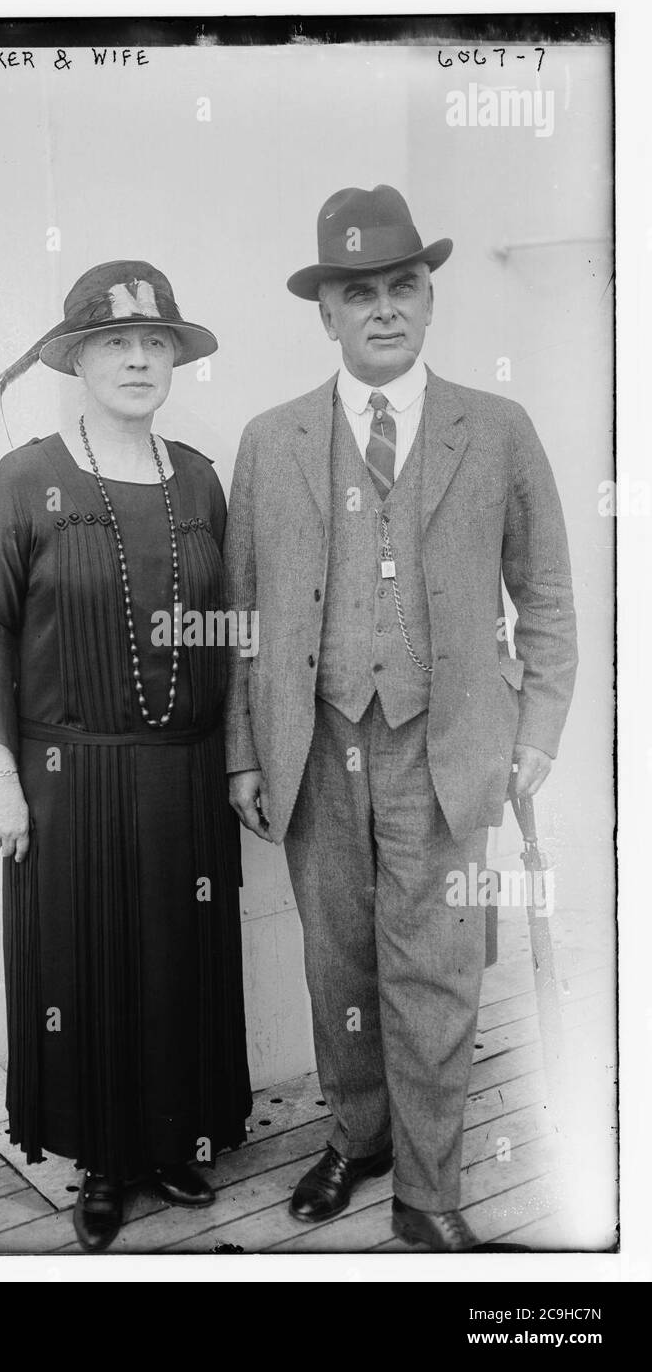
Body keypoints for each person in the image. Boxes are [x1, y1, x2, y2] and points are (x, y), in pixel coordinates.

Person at [223, 186, 577, 1251]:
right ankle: (358, 1135)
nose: (382, 308)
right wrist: (244, 752)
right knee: (338, 962)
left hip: (449, 745)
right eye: (356, 291)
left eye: (402, 286)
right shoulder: (270, 438)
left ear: (428, 298)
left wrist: (537, 734)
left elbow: (548, 598)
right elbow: (242, 616)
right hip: (313, 747)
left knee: (433, 973)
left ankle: (428, 1193)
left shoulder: (497, 429)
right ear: (323, 312)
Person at [0, 261, 252, 1252]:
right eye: (116, 343)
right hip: (63, 779)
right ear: (76, 359)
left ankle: (171, 1140)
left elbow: (227, 627)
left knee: (177, 959)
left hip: (183, 772)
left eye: (155, 342)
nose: (137, 358)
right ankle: (100, 1162)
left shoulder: (202, 478)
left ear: (174, 359)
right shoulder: (28, 476)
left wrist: (237, 756)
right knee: (76, 970)